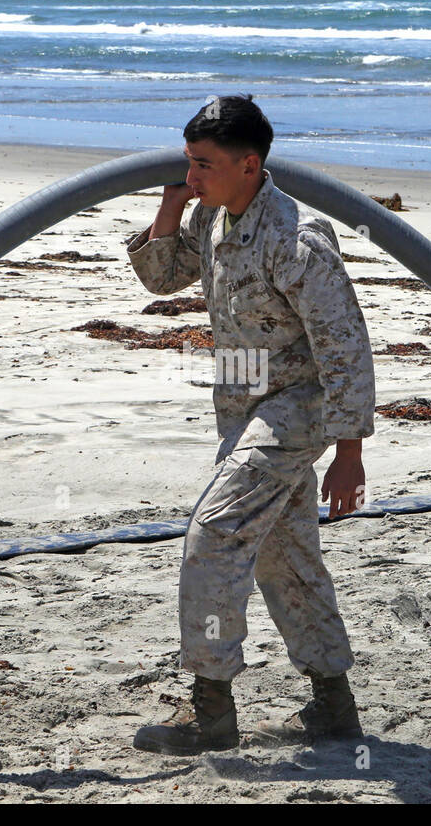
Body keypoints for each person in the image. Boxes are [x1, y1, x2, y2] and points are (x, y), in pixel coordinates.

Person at [123, 94, 377, 755]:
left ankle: (210, 709)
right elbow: (160, 278)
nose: (194, 173)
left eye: (203, 165)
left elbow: (345, 345)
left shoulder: (297, 239)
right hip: (242, 412)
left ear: (250, 164)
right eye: (188, 163)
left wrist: (350, 451)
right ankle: (333, 706)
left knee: (215, 532)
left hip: (297, 409)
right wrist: (175, 204)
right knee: (283, 552)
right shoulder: (211, 217)